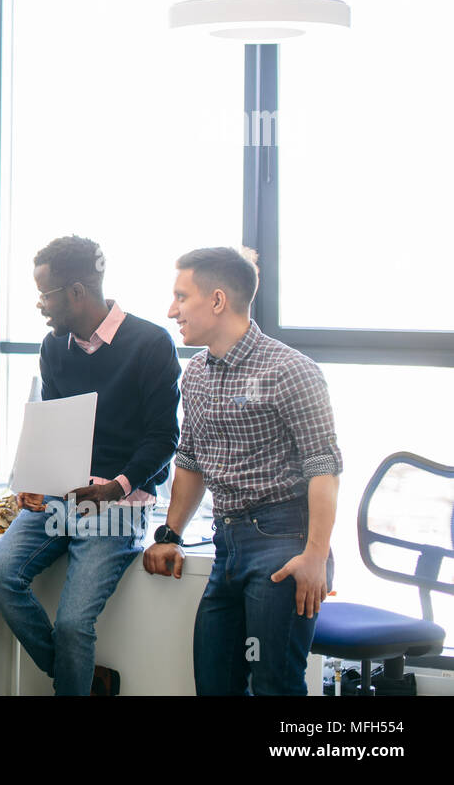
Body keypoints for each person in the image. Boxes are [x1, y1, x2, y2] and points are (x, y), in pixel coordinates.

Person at [0, 236, 181, 696]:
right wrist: (33, 481)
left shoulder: (150, 343)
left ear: (75, 292)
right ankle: (81, 680)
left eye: (44, 294)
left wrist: (116, 486)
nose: (39, 305)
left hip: (118, 504)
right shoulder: (55, 347)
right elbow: (53, 427)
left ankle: (74, 679)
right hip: (60, 497)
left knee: (73, 624)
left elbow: (163, 439)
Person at [144, 247, 341, 696]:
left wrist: (315, 556)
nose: (171, 310)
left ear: (217, 301)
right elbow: (191, 460)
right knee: (215, 681)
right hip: (227, 544)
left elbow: (324, 467)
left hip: (283, 541)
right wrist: (170, 535)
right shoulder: (195, 373)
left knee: (275, 685)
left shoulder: (291, 370)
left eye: (181, 297)